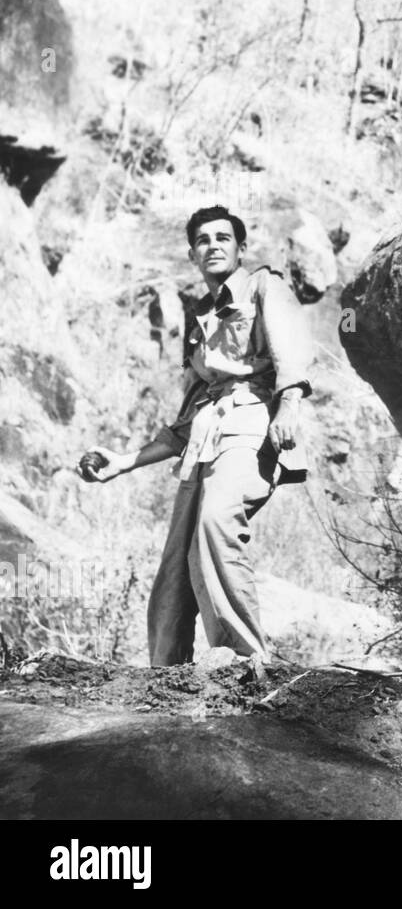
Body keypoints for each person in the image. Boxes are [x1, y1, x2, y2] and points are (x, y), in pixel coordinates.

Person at [82, 205, 312, 667]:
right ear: (192, 253)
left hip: (254, 420)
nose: (213, 245)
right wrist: (125, 461)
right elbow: (188, 416)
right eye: (203, 239)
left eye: (223, 238)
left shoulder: (264, 286)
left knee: (217, 519)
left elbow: (291, 348)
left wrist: (289, 404)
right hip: (205, 434)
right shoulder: (199, 318)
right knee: (176, 563)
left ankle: (245, 662)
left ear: (240, 248)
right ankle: (166, 676)